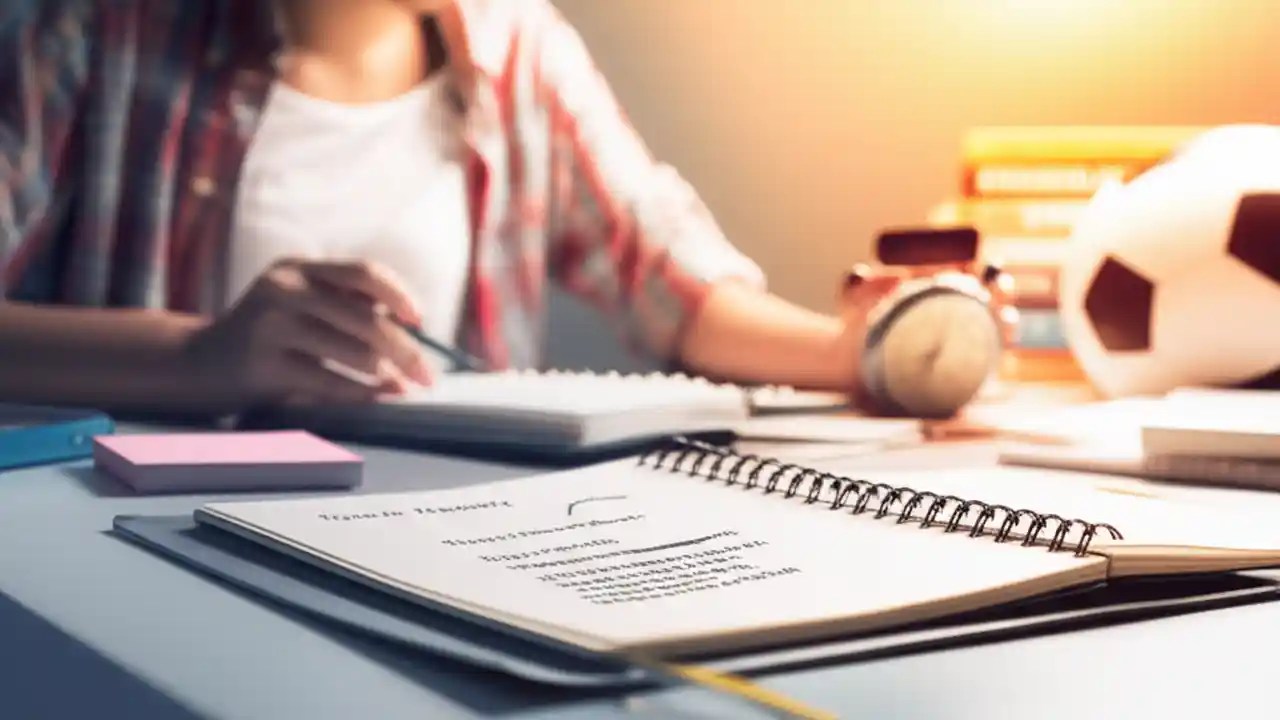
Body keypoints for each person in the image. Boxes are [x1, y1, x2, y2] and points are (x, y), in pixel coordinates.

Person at [0, 0, 901, 418]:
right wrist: (198, 359)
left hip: (447, 543)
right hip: (154, 551)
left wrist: (857, 352)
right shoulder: (95, 33)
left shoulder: (519, 46)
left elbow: (672, 284)